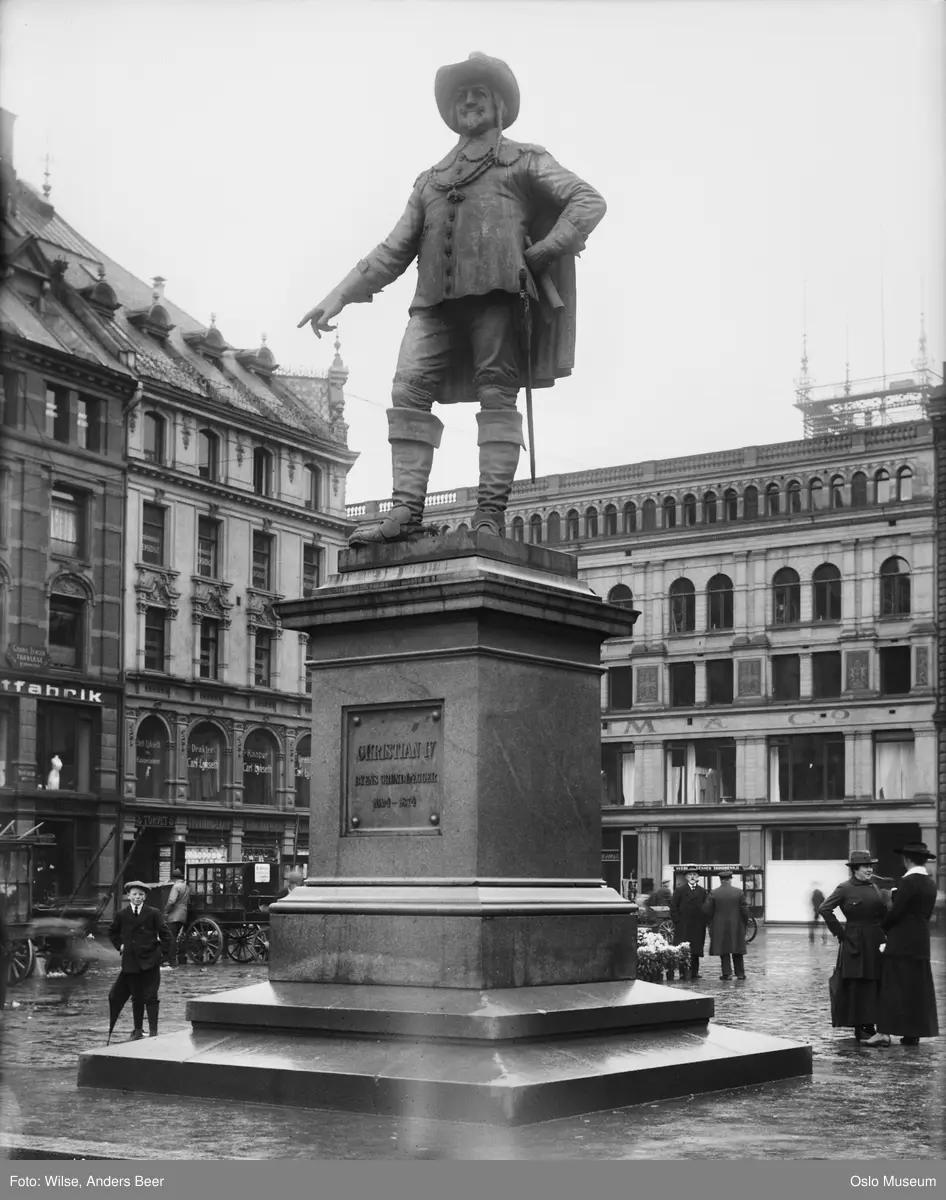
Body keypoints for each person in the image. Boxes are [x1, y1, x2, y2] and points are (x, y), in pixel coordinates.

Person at [299, 52, 606, 546]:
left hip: (499, 298)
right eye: (461, 95)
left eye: (478, 93)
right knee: (407, 387)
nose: (468, 101)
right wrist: (340, 293)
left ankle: (489, 513)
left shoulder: (523, 159)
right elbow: (394, 248)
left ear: (499, 104)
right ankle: (406, 512)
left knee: (496, 394)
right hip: (435, 303)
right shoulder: (430, 180)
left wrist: (544, 252)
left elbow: (587, 200)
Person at [865, 842, 939, 1047]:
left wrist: (884, 926)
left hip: (902, 938)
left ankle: (884, 1032)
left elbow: (897, 911)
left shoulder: (909, 882)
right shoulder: (930, 883)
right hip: (921, 940)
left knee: (893, 985)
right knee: (916, 986)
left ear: (907, 860)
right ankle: (912, 1032)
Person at [818, 850, 887, 1041]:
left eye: (870, 866)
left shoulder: (874, 887)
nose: (869, 869)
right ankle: (861, 1025)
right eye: (866, 866)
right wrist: (840, 934)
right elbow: (825, 908)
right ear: (855, 868)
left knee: (873, 981)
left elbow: (882, 914)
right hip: (854, 941)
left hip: (875, 940)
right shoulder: (845, 888)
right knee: (856, 982)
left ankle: (871, 1023)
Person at [107, 881, 172, 1041]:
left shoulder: (153, 913)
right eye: (134, 894)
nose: (137, 897)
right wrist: (120, 946)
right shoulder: (122, 914)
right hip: (131, 962)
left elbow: (166, 935)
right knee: (136, 997)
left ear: (145, 897)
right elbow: (112, 932)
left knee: (151, 996)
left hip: (150, 961)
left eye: (141, 895)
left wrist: (161, 955)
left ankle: (153, 1032)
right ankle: (137, 1029)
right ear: (128, 896)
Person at [702, 870, 749, 979]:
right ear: (730, 879)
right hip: (736, 925)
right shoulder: (739, 892)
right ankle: (740, 973)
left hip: (719, 926)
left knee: (724, 950)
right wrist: (744, 923)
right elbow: (745, 910)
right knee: (737, 950)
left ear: (721, 880)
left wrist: (710, 921)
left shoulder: (714, 893)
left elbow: (706, 910)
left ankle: (727, 974)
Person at [670, 867, 707, 979]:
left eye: (694, 875)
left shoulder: (702, 891)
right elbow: (673, 907)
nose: (692, 877)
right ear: (686, 877)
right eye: (690, 875)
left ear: (697, 877)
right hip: (684, 925)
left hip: (698, 925)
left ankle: (695, 972)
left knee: (696, 949)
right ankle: (683, 971)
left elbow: (706, 907)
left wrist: (704, 920)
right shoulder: (680, 890)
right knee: (684, 948)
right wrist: (677, 921)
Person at [162, 869, 191, 967]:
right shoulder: (186, 887)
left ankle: (172, 960)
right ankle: (177, 957)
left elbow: (171, 901)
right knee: (177, 937)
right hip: (183, 914)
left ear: (173, 878)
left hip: (174, 915)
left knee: (171, 937)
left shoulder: (176, 887)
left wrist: (165, 912)